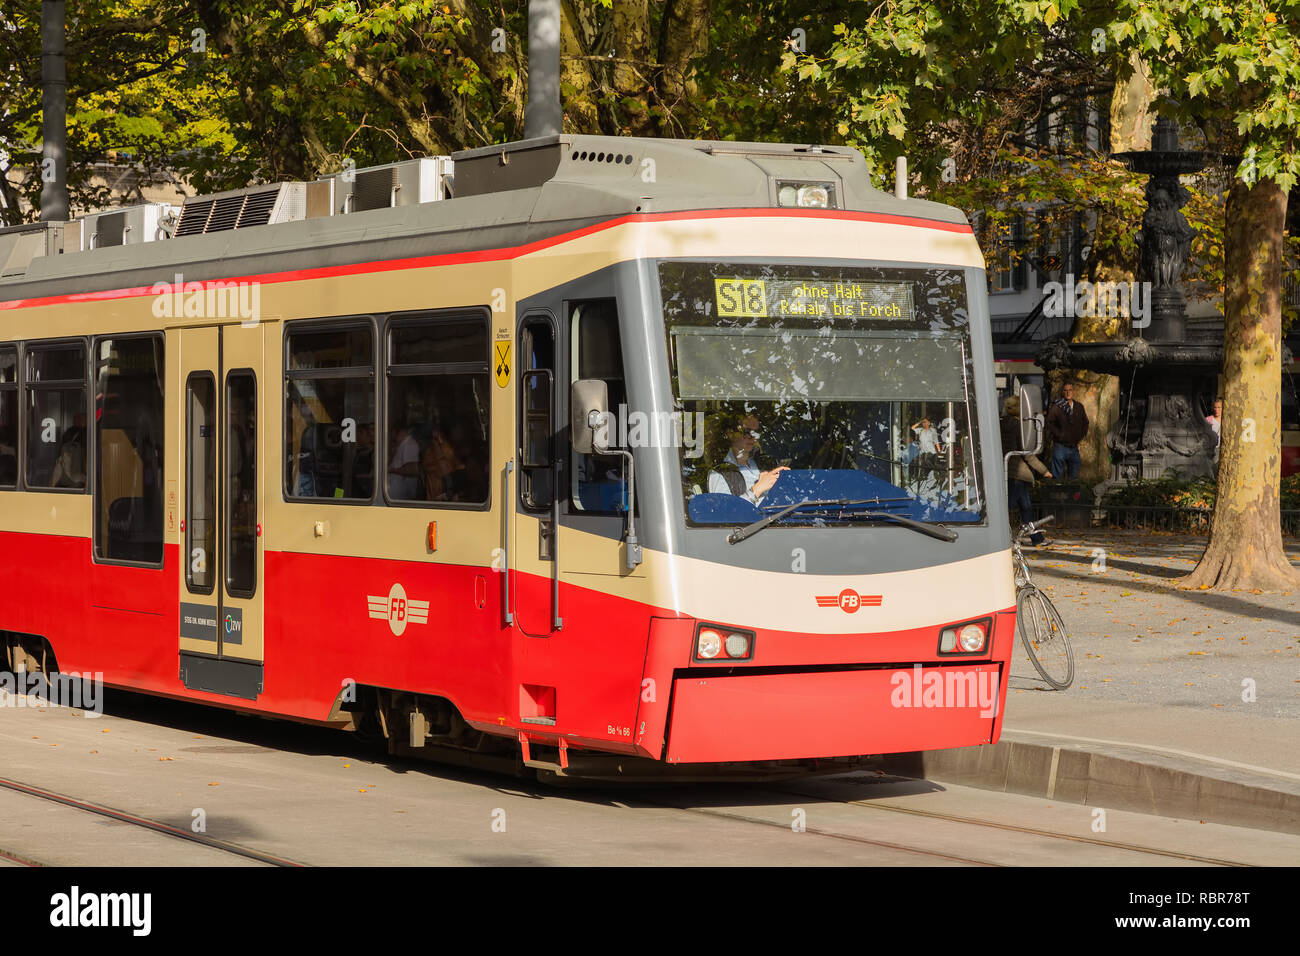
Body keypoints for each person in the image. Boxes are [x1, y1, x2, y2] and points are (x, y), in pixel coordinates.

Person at [1002, 395, 1052, 545]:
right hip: (1017, 473)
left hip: (1005, 471)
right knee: (1014, 507)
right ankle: (1011, 538)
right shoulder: (1020, 427)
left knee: (1024, 507)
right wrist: (1044, 471)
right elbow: (1028, 454)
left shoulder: (999, 423)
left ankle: (1036, 538)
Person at [707, 413, 788, 504]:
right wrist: (757, 489)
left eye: (755, 433)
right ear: (730, 434)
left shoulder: (767, 463)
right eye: (747, 432)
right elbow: (725, 513)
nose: (752, 437)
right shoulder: (719, 473)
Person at [1046, 382, 1089, 479]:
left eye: (1070, 390)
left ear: (1073, 392)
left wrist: (1081, 435)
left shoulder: (1079, 407)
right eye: (1065, 390)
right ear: (1063, 392)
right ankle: (1057, 494)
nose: (1068, 392)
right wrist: (1060, 435)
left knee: (1073, 477)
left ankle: (1071, 494)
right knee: (1057, 478)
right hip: (1060, 446)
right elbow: (1049, 423)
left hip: (1074, 447)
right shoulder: (1057, 406)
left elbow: (1085, 422)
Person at [387, 424, 421, 500]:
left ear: (401, 432)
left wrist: (391, 470)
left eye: (393, 434)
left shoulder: (410, 444)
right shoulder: (402, 445)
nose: (393, 437)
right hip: (394, 494)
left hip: (401, 495)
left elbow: (413, 470)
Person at [910, 417, 944, 485]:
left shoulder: (932, 430)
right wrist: (919, 422)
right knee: (920, 463)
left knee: (927, 459)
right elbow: (912, 428)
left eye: (925, 422)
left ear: (929, 423)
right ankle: (924, 477)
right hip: (923, 451)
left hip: (931, 451)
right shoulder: (920, 430)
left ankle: (936, 471)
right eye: (923, 422)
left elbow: (936, 441)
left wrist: (939, 450)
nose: (924, 424)